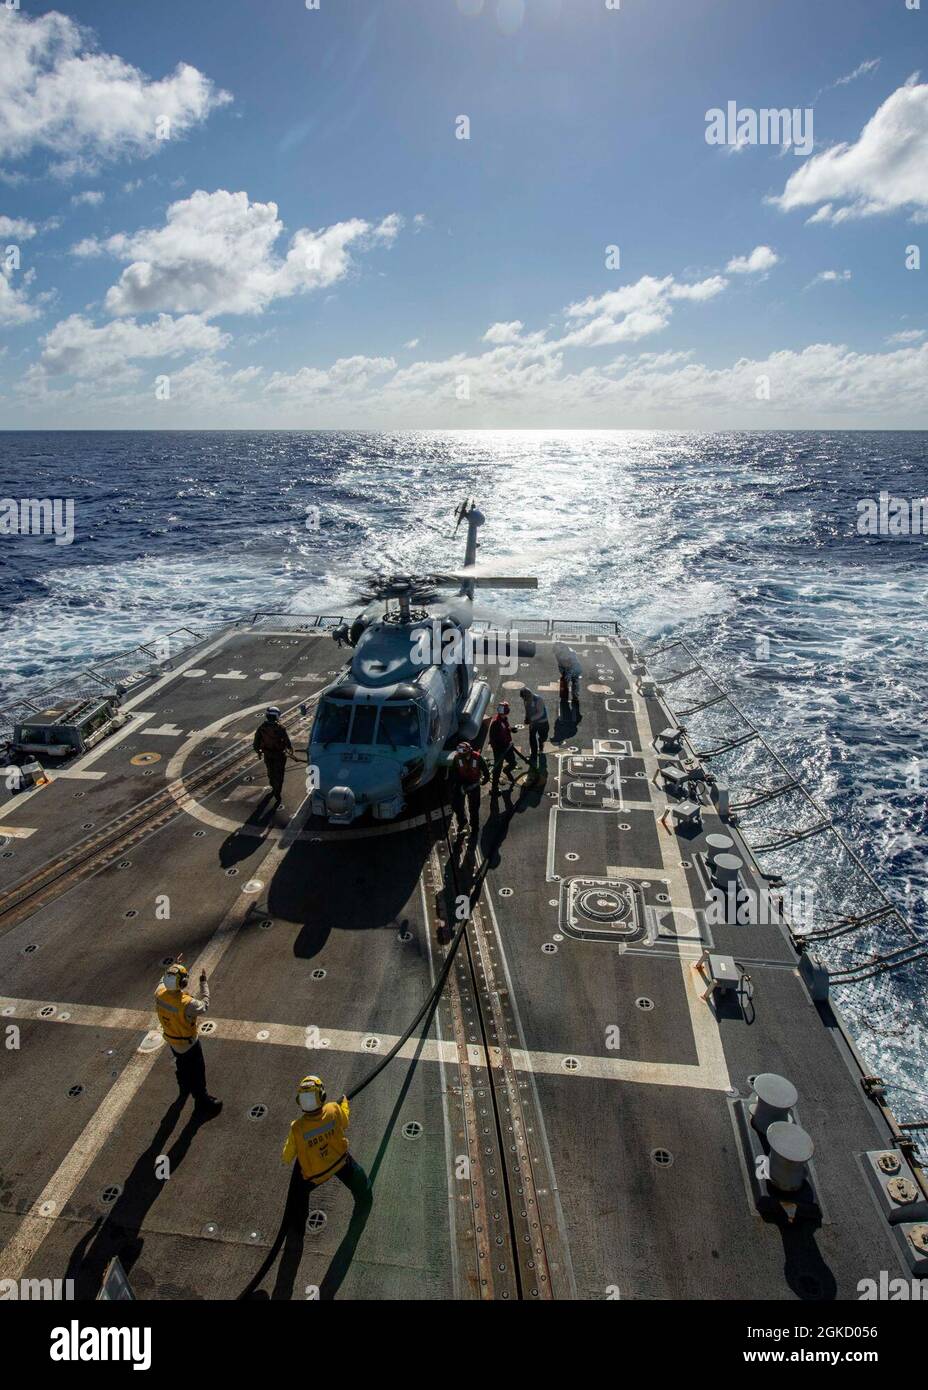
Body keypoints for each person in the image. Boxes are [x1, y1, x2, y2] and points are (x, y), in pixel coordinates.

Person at [282, 1076, 371, 1205]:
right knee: (361, 1181)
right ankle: (364, 1200)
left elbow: (286, 1157)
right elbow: (345, 1122)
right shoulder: (333, 1109)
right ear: (322, 1096)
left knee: (297, 1198)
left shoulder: (297, 1127)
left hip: (315, 1175)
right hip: (338, 1161)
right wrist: (344, 1104)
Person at [154, 961, 222, 1115]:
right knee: (198, 1071)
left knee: (182, 1065)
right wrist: (203, 984)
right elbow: (204, 1005)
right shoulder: (187, 1004)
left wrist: (172, 968)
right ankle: (202, 1102)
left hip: (172, 1041)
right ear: (183, 983)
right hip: (189, 1044)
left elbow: (161, 981)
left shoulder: (159, 993)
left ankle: (184, 1087)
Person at [447, 740, 490, 834]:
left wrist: (485, 779)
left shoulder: (477, 758)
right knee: (457, 806)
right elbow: (453, 772)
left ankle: (474, 826)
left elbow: (485, 770)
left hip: (474, 783)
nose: (461, 756)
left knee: (474, 808)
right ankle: (462, 821)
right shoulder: (457, 758)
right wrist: (455, 786)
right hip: (461, 783)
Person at [253, 706, 293, 804]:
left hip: (268, 754)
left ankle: (273, 784)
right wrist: (290, 749)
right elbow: (287, 741)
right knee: (280, 774)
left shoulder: (261, 728)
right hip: (280, 755)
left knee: (270, 771)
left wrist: (258, 751)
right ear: (277, 716)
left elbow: (256, 743)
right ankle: (277, 791)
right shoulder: (280, 728)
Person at [487, 702, 521, 790]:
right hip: (499, 749)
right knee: (497, 768)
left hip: (507, 746)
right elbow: (493, 738)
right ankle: (494, 788)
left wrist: (511, 729)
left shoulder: (504, 719)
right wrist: (499, 749)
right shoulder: (495, 723)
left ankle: (506, 770)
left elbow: (506, 728)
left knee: (513, 763)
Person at [519, 687, 549, 758]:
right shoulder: (525, 700)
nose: (524, 700)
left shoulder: (538, 699)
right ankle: (534, 753)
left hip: (542, 722)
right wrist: (526, 718)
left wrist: (531, 719)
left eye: (524, 698)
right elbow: (527, 710)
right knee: (532, 737)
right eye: (523, 698)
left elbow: (540, 713)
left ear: (529, 695)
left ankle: (541, 743)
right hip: (533, 723)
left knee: (543, 737)